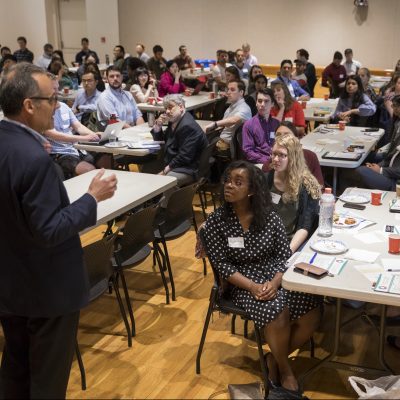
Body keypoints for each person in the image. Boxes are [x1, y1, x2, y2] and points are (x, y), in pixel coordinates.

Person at [0, 62, 117, 398]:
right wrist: (92, 198)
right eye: (51, 100)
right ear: (28, 105)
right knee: (47, 381)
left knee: (15, 368)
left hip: (11, 285)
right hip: (46, 290)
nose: (58, 105)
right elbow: (49, 230)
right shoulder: (34, 159)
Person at [203, 160, 321, 398]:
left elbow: (284, 256)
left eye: (238, 182)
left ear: (252, 190)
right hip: (240, 282)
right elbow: (223, 266)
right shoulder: (216, 221)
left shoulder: (269, 217)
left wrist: (276, 281)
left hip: (275, 274)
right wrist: (254, 287)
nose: (229, 186)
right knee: (277, 310)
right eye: (228, 180)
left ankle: (274, 359)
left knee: (312, 304)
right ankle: (285, 370)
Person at [266, 133, 321, 252]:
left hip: (292, 240)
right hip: (267, 238)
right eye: (274, 154)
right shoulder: (267, 178)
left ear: (293, 158)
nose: (275, 159)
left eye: (282, 155)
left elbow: (304, 226)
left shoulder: (308, 185)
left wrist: (287, 252)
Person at [43, 75, 104, 179]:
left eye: (58, 88)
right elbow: (53, 134)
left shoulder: (64, 106)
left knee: (103, 157)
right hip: (59, 153)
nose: (57, 91)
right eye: (54, 89)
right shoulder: (42, 109)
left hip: (75, 149)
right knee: (89, 169)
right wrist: (83, 138)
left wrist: (93, 134)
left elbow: (78, 126)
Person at [342, 95, 400, 191]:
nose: (394, 109)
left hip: (396, 182)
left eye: (397, 106)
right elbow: (390, 156)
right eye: (394, 106)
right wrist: (377, 166)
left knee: (359, 170)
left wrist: (380, 170)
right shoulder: (397, 122)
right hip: (390, 167)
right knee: (364, 156)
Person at [151, 94, 208, 186]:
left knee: (167, 181)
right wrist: (158, 125)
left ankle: (166, 200)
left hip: (189, 168)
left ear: (181, 107)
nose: (167, 111)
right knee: (146, 169)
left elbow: (185, 156)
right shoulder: (175, 120)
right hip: (176, 162)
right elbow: (162, 140)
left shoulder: (188, 126)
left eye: (170, 107)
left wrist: (165, 170)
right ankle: (153, 200)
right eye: (165, 108)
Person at [263, 121, 324, 188]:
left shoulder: (310, 157)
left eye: (287, 135)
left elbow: (319, 186)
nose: (282, 138)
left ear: (296, 139)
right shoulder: (269, 165)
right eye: (278, 135)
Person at [205, 80, 252, 152]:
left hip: (228, 146)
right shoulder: (231, 107)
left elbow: (234, 120)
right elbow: (223, 125)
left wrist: (215, 124)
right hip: (221, 139)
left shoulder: (244, 108)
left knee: (198, 145)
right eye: (228, 89)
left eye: (232, 90)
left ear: (241, 92)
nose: (228, 92)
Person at [242, 88, 280, 165]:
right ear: (256, 103)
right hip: (259, 163)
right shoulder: (249, 125)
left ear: (272, 104)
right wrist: (267, 160)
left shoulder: (276, 123)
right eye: (259, 101)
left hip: (276, 159)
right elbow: (248, 151)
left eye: (266, 101)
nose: (262, 104)